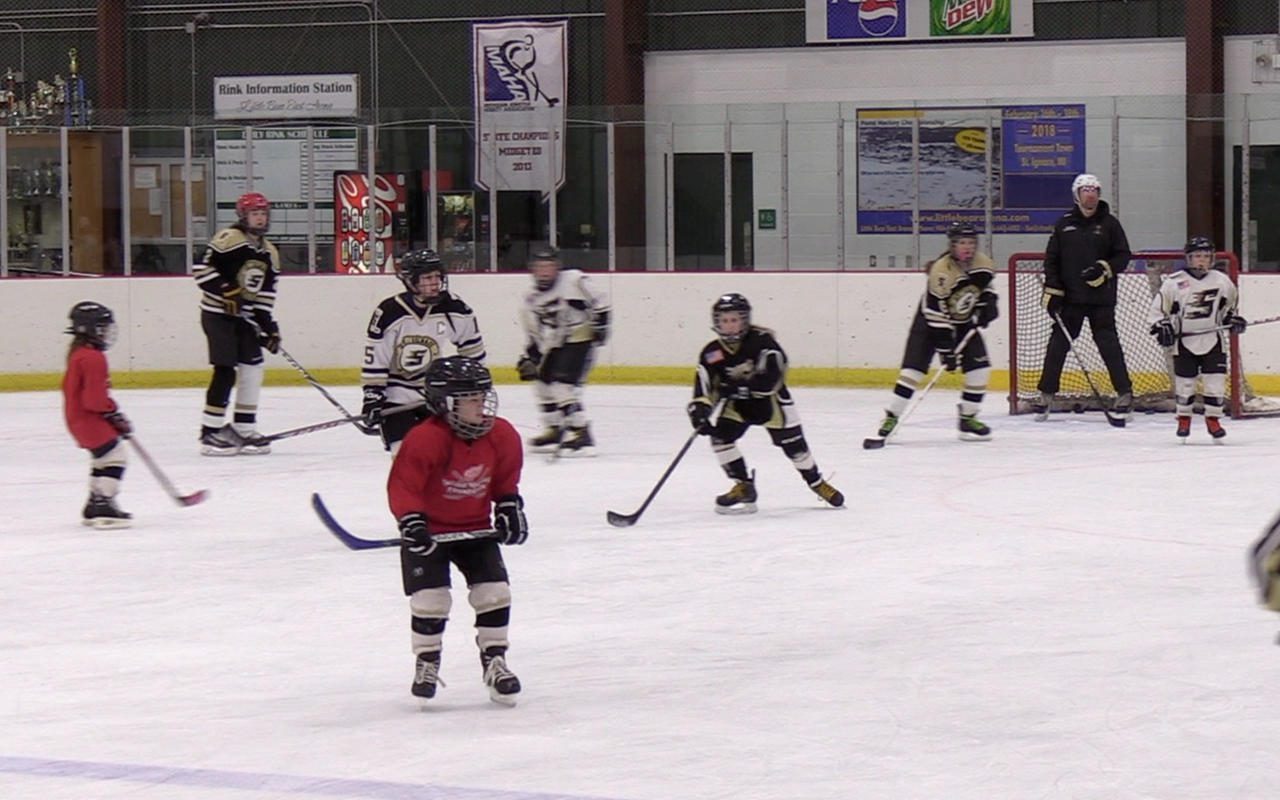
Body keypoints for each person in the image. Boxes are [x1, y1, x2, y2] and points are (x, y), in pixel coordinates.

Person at [387, 357, 527, 706]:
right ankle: (427, 661)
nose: (481, 404)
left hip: (476, 530)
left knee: (494, 593)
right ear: (444, 403)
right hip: (431, 532)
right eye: (469, 398)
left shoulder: (502, 434)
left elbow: (505, 480)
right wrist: (412, 521)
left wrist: (509, 506)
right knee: (430, 600)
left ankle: (495, 663)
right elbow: (404, 486)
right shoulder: (424, 439)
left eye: (482, 395)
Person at [687, 293, 844, 514]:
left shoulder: (762, 342)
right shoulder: (712, 352)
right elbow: (705, 383)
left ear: (744, 320)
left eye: (734, 320)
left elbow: (773, 379)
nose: (729, 325)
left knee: (796, 449)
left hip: (772, 404)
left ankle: (816, 482)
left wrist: (740, 388)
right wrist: (700, 410)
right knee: (721, 438)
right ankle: (744, 485)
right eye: (724, 320)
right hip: (738, 406)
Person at [872, 222, 998, 443]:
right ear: (952, 245)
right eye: (962, 243)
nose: (967, 248)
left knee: (980, 370)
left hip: (964, 322)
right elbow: (935, 314)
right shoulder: (941, 272)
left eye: (971, 243)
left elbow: (985, 288)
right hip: (929, 325)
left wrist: (988, 303)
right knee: (912, 374)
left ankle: (967, 419)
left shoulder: (983, 263)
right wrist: (946, 350)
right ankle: (891, 417)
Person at [361, 249, 486, 455]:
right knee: (404, 455)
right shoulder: (389, 312)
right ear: (411, 281)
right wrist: (373, 398)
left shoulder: (455, 308)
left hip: (435, 394)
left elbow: (472, 350)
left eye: (437, 276)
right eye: (428, 278)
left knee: (445, 454)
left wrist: (473, 388)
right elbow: (377, 360)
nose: (435, 283)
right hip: (396, 396)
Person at [1034, 173, 1133, 419]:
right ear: (1077, 195)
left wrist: (1103, 269)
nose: (1091, 194)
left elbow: (1122, 256)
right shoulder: (1064, 224)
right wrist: (1054, 291)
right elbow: (1052, 260)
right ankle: (1046, 394)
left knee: (1109, 346)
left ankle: (1124, 393)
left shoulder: (1110, 223)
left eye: (1094, 190)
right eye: (1085, 190)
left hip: (1101, 299)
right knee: (1057, 345)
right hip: (1070, 300)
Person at [193, 191, 282, 456]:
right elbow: (201, 270)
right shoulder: (229, 239)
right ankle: (210, 432)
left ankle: (244, 427)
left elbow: (265, 295)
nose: (260, 218)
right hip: (217, 315)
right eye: (255, 214)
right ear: (243, 216)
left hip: (244, 319)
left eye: (263, 214)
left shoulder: (269, 252)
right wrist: (226, 291)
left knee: (253, 368)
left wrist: (269, 328)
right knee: (226, 370)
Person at [1147, 237, 1246, 441]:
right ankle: (1184, 419)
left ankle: (1213, 420)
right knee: (1185, 384)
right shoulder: (1173, 282)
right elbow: (1158, 311)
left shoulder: (1221, 281)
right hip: (1184, 342)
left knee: (1215, 383)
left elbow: (1228, 309)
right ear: (1189, 259)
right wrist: (1161, 326)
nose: (1201, 260)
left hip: (1213, 339)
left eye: (1206, 256)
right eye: (1197, 256)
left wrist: (1233, 320)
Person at [517, 244, 610, 455]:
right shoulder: (531, 299)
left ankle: (581, 433)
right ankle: (554, 428)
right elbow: (535, 334)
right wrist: (529, 357)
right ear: (532, 269)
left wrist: (601, 326)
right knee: (541, 382)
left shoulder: (574, 280)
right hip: (558, 342)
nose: (545, 271)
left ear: (557, 267)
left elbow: (601, 302)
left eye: (549, 266)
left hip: (581, 338)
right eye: (540, 267)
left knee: (562, 386)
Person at [62, 301, 133, 528]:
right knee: (116, 458)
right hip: (90, 419)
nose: (106, 333)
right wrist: (113, 414)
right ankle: (103, 501)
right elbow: (94, 399)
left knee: (102, 458)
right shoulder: (93, 358)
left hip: (78, 419)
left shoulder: (79, 354)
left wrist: (111, 414)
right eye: (102, 328)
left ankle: (95, 503)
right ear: (88, 329)